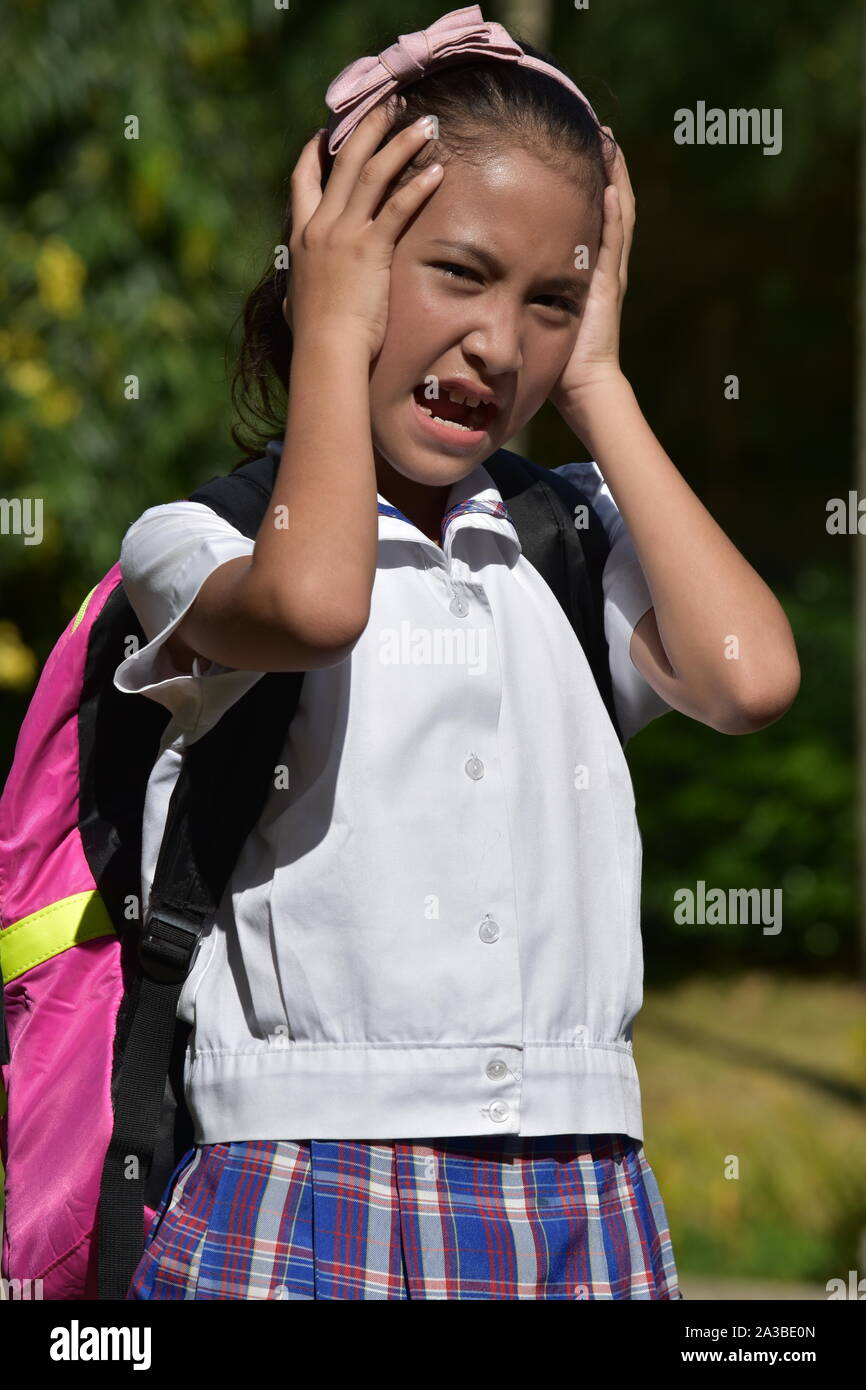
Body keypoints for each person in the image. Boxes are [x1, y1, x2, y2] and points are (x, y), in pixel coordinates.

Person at [116, 5, 800, 1300]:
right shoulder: (192, 538)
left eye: (550, 298)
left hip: (583, 1180)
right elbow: (316, 607)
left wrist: (596, 374)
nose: (500, 344)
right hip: (308, 1177)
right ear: (331, 263)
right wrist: (329, 328)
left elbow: (746, 675)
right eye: (456, 273)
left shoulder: (571, 534)